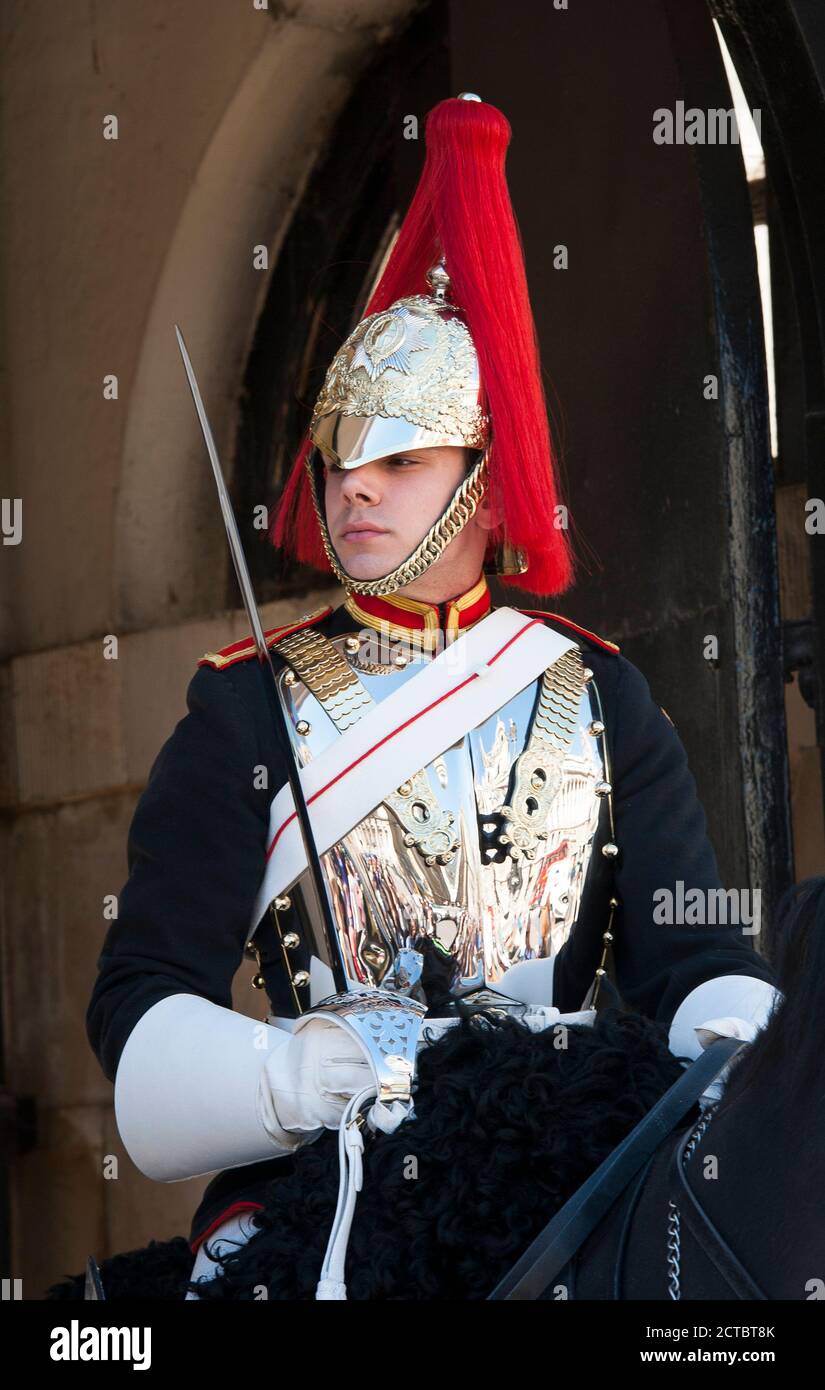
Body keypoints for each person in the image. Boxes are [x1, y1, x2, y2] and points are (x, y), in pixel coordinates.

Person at [86, 95, 779, 1298]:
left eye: (402, 462)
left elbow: (688, 958)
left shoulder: (599, 690)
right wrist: (298, 1070)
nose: (358, 492)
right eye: (342, 463)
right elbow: (142, 1008)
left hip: (570, 1154)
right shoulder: (247, 708)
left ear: (481, 478)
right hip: (331, 1172)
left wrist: (752, 1035)